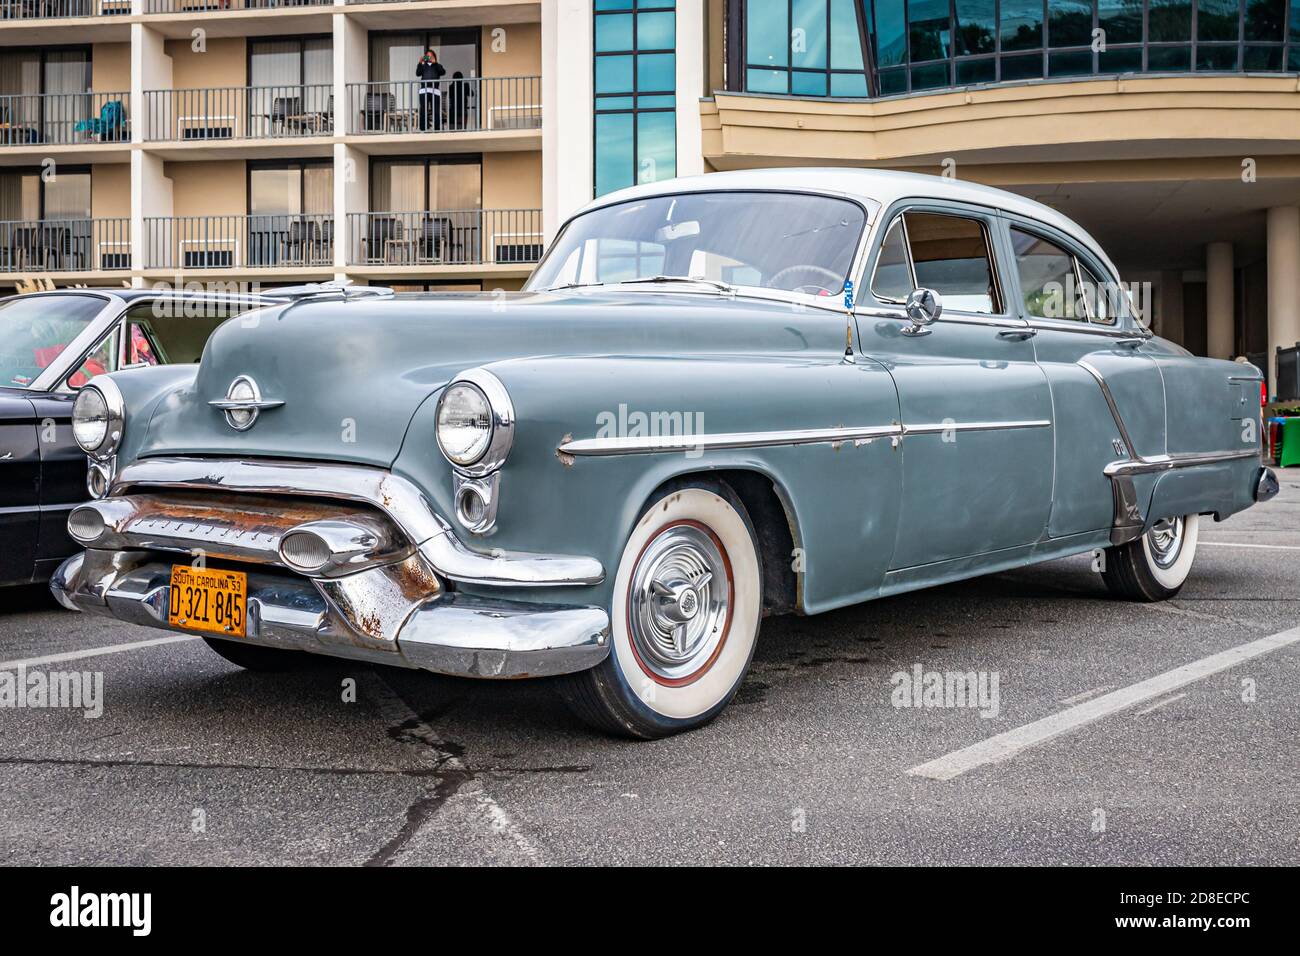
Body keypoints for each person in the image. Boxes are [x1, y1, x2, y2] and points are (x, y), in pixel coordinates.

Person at [415, 49, 446, 131]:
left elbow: (442, 72)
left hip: (434, 91)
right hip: (424, 90)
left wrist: (435, 63)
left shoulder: (437, 65)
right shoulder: (423, 65)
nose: (429, 57)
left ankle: (437, 128)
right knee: (423, 110)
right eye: (427, 56)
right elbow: (418, 73)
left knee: (436, 110)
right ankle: (423, 128)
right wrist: (420, 63)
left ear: (434, 57)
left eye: (431, 56)